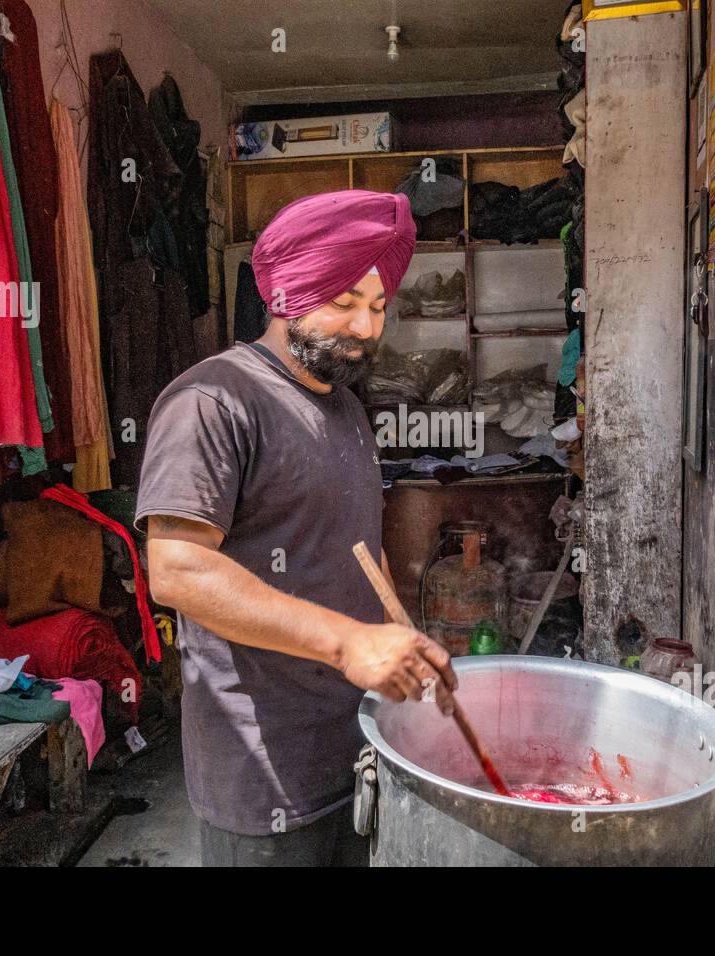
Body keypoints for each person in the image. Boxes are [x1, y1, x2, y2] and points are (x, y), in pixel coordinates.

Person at [135, 190, 458, 867]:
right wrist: (345, 643)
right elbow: (176, 571)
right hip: (262, 773)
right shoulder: (213, 401)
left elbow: (346, 559)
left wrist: (397, 641)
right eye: (344, 304)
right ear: (287, 292)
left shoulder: (346, 410)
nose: (368, 329)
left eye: (377, 307)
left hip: (353, 749)